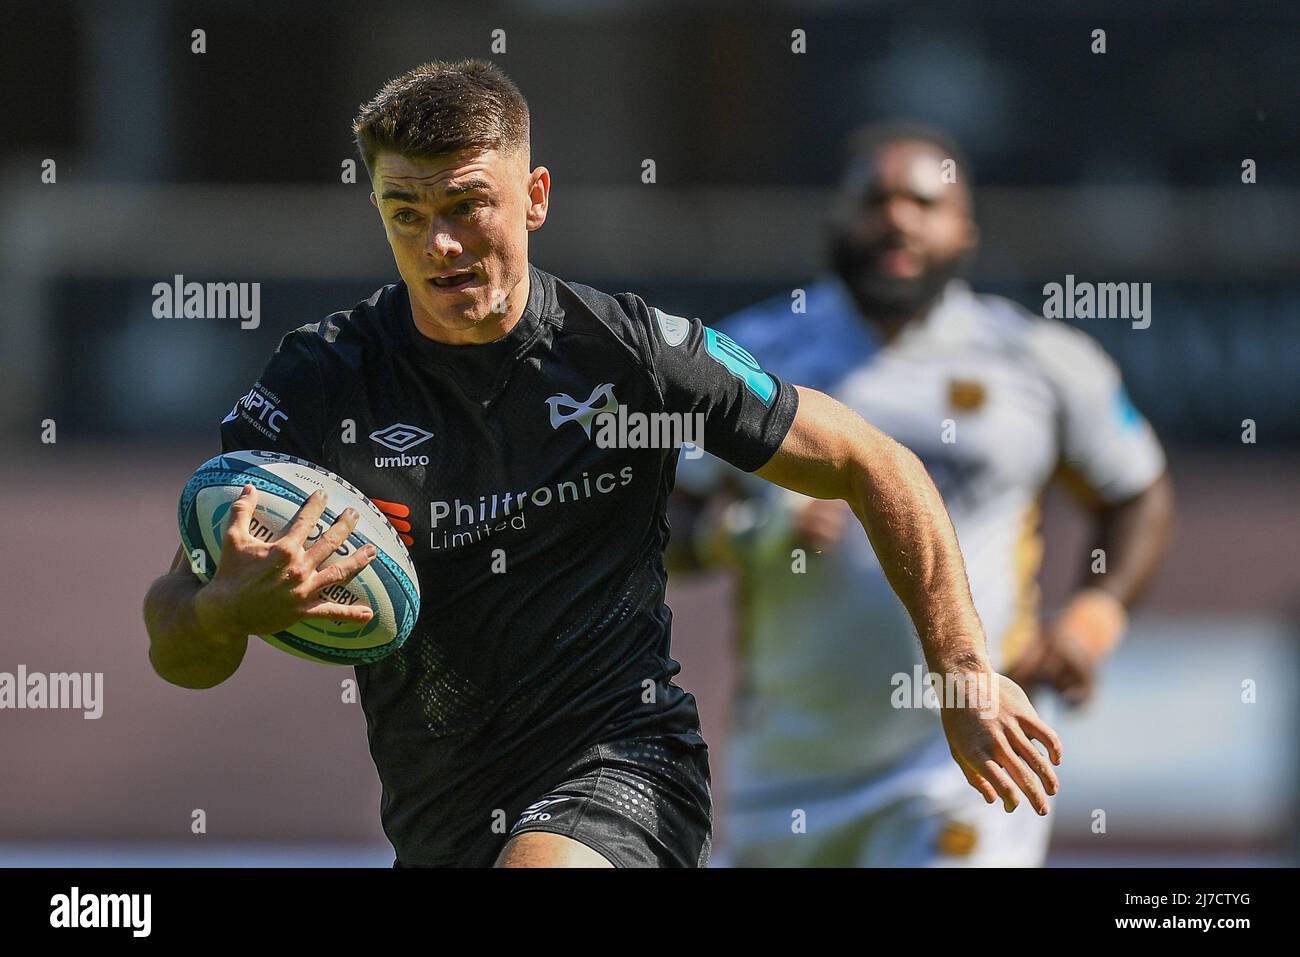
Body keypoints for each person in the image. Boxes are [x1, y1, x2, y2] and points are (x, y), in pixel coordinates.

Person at [143, 65, 1061, 868]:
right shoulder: (323, 378)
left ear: (535, 196)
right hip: (437, 814)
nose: (441, 245)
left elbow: (875, 460)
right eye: (406, 214)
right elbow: (175, 637)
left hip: (627, 767)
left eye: (467, 205)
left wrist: (963, 668)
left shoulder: (629, 354)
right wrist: (228, 608)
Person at [668, 123, 1173, 867]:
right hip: (788, 770)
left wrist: (1094, 617)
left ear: (965, 230)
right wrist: (737, 533)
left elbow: (1136, 491)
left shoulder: (1036, 360)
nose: (898, 217)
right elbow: (659, 516)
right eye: (875, 198)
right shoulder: (753, 356)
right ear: (834, 219)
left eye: (923, 201)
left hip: (960, 765)